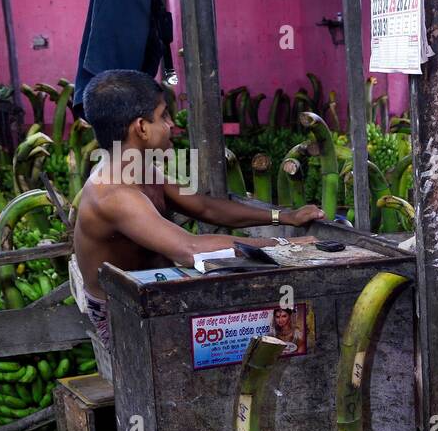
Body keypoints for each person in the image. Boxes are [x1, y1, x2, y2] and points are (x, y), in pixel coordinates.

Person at [71, 70, 322, 356]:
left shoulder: (140, 169)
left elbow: (205, 207)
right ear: (141, 127)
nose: (171, 125)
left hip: (158, 292)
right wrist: (284, 245)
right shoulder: (112, 194)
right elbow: (190, 249)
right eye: (164, 116)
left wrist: (284, 217)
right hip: (124, 316)